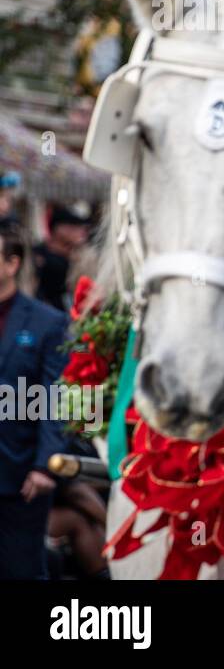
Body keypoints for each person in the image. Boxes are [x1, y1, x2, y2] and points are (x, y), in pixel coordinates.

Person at [0, 224, 71, 579]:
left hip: (21, 476)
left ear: (12, 264)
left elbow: (58, 397)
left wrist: (46, 465)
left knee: (22, 571)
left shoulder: (49, 323)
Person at [31, 206, 90, 313]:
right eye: (74, 228)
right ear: (59, 229)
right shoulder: (37, 254)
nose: (81, 232)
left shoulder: (81, 256)